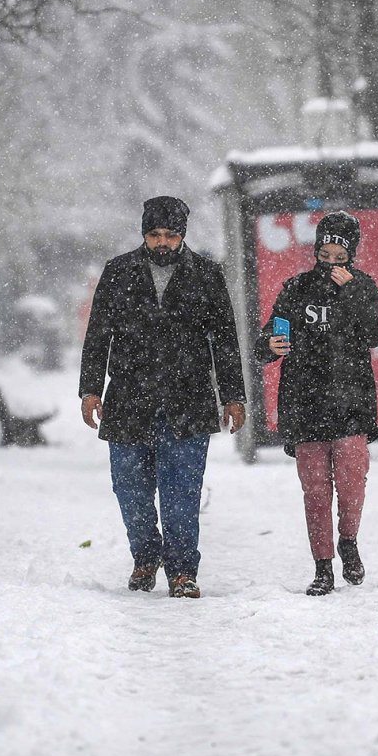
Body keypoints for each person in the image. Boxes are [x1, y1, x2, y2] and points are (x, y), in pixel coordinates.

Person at [80, 196, 246, 599]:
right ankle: (145, 556)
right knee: (129, 488)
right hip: (127, 399)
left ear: (183, 235)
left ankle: (183, 570)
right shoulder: (117, 273)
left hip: (188, 399)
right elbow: (98, 335)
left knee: (182, 491)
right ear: (143, 234)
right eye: (155, 234)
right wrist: (89, 389)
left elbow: (224, 340)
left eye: (171, 235)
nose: (162, 243)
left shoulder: (207, 275)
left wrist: (233, 395)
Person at [256, 210, 378, 596]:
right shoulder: (296, 288)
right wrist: (270, 345)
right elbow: (270, 335)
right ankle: (322, 566)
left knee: (351, 483)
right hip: (305, 401)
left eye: (339, 248)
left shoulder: (363, 285)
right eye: (325, 246)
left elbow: (376, 333)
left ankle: (349, 540)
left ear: (351, 252)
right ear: (316, 247)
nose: (330, 255)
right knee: (314, 490)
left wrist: (354, 292)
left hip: (351, 403)